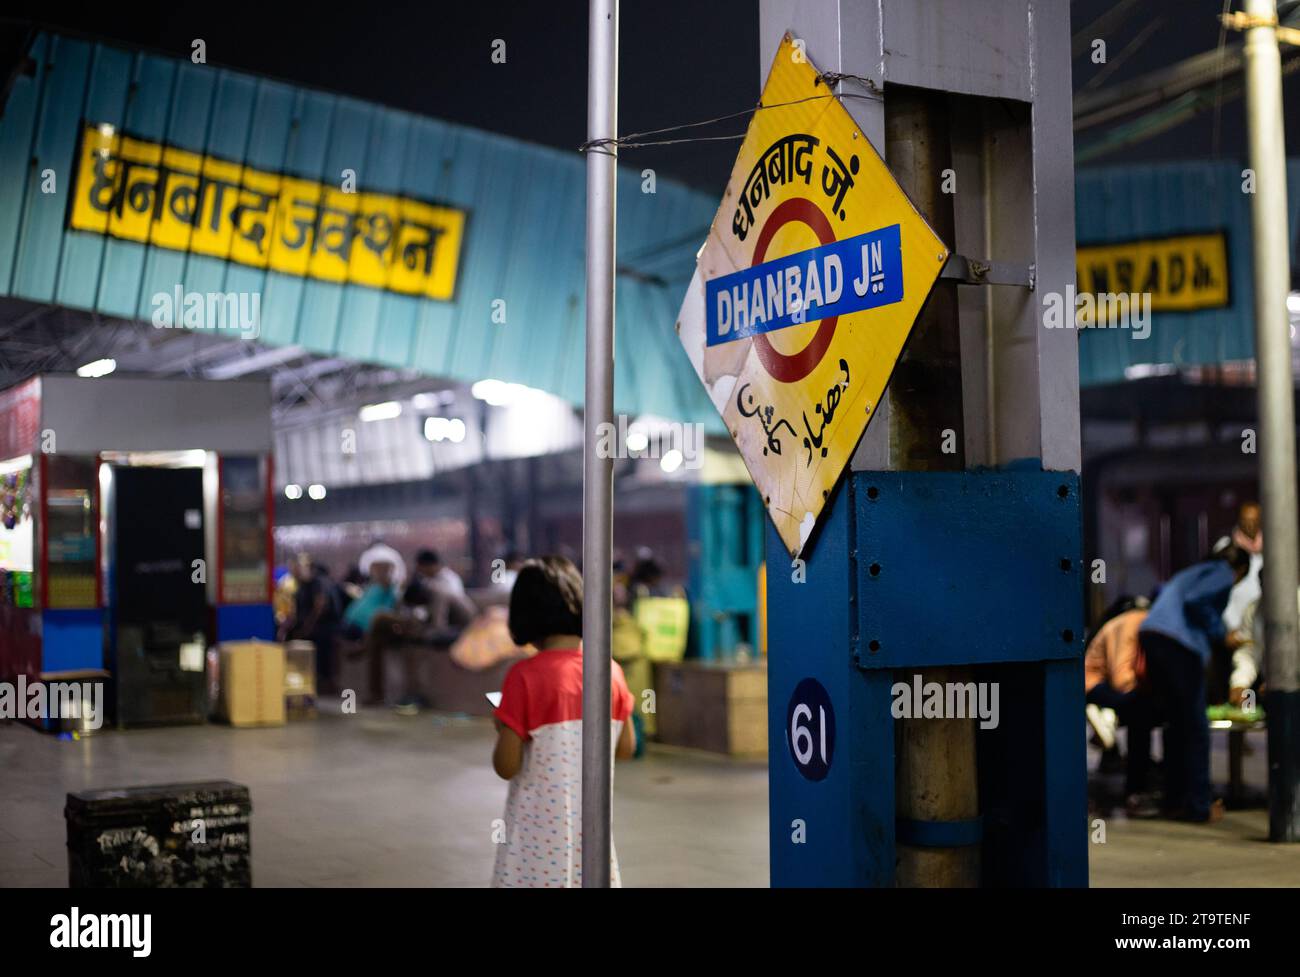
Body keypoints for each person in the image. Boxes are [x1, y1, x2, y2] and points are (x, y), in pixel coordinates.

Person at [490, 556, 635, 887]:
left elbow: (506, 766)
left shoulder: (524, 676)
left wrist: (503, 728)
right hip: (593, 840)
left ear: (524, 615)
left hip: (535, 841)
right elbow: (626, 749)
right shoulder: (610, 671)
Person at [1138, 541, 1252, 822]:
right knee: (1196, 729)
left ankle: (1174, 801)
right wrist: (1221, 634)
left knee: (1176, 725)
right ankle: (1200, 807)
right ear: (1239, 569)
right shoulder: (1222, 571)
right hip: (1178, 645)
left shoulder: (1192, 572)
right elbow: (1197, 601)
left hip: (1153, 637)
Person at [1083, 596, 1156, 813]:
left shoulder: (1129, 620)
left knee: (1141, 709)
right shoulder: (1133, 622)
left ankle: (1107, 729)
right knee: (1139, 713)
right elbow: (1120, 678)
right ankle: (1135, 791)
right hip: (1091, 686)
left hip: (1102, 684)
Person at [280, 554, 343, 692]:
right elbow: (296, 612)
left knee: (318, 639)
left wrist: (305, 629)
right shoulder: (300, 586)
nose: (294, 572)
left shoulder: (319, 582)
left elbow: (320, 607)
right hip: (308, 625)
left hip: (326, 625)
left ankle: (322, 680)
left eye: (297, 568)